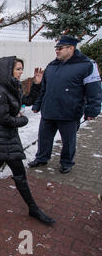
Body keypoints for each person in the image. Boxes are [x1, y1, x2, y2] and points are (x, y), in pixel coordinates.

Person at [0, 56, 55, 225]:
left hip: (8, 135)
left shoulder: (13, 87)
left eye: (21, 69)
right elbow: (5, 119)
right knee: (19, 173)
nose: (21, 72)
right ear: (8, 70)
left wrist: (37, 84)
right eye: (18, 69)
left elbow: (27, 101)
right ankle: (33, 208)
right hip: (1, 136)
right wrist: (23, 120)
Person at [29, 35, 102, 174]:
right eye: (56, 48)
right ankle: (41, 158)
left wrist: (92, 110)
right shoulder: (51, 66)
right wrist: (38, 104)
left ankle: (66, 162)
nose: (57, 51)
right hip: (49, 111)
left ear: (71, 48)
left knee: (68, 142)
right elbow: (45, 88)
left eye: (60, 48)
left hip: (69, 112)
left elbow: (94, 90)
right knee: (44, 138)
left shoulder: (87, 65)